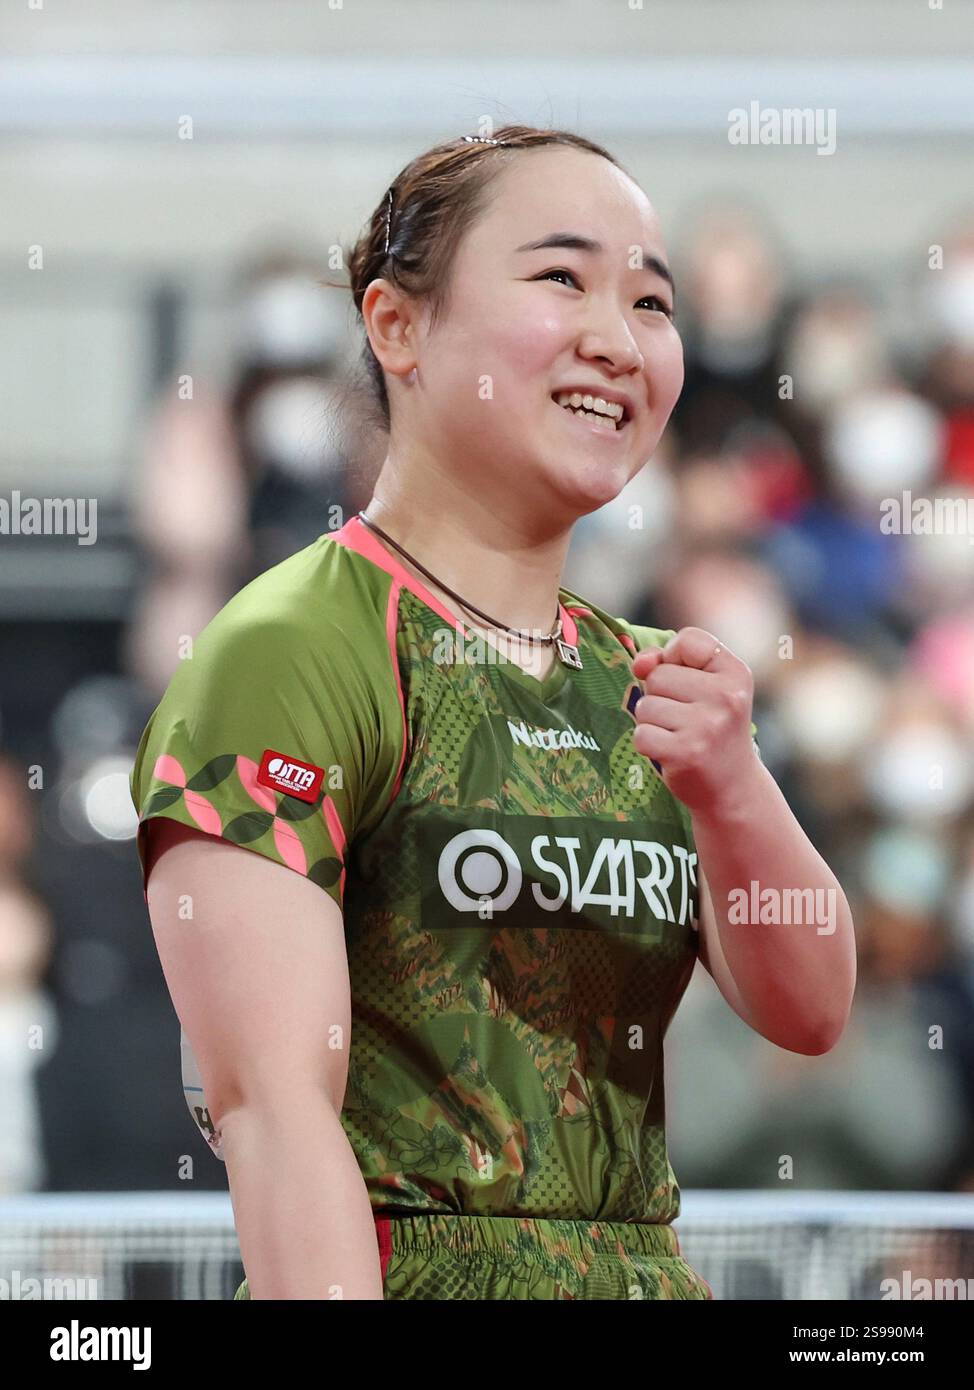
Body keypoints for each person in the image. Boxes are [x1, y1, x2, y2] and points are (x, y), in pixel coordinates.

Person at [129, 125, 857, 1301]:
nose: (616, 342)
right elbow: (270, 1113)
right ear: (397, 327)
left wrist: (734, 787)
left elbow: (811, 1013)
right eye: (560, 277)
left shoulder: (655, 677)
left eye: (651, 301)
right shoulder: (292, 650)